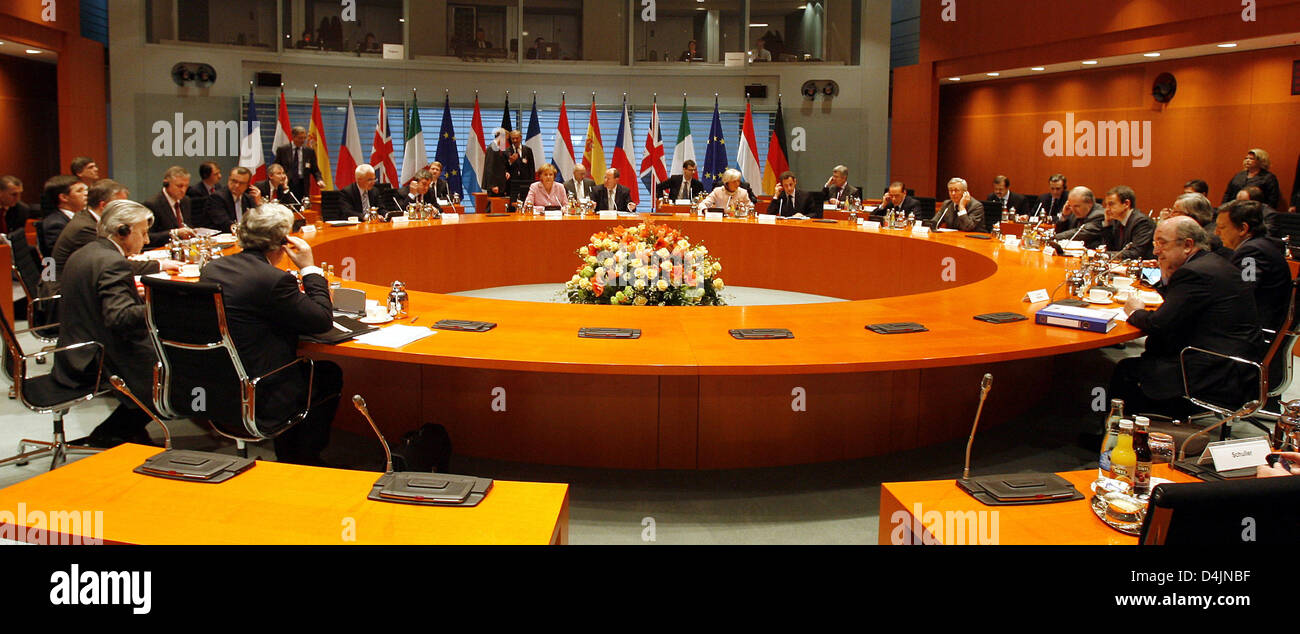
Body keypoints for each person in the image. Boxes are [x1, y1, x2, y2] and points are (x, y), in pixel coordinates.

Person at [199, 203, 343, 466]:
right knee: (328, 373)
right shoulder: (274, 280)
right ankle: (301, 457)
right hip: (264, 389)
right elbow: (322, 320)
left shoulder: (212, 268)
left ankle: (290, 452)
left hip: (222, 386)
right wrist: (309, 268)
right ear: (284, 241)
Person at [1114, 216, 1262, 417]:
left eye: (1162, 243)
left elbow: (1158, 325)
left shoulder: (1194, 273)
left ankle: (1119, 434)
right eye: (1155, 243)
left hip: (1214, 371)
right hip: (1235, 364)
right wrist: (1166, 277)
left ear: (1187, 245)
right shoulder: (1209, 263)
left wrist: (1135, 311)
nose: (1156, 250)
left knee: (1125, 370)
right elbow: (1181, 308)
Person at [54, 200, 163, 448]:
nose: (146, 241)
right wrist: (159, 307)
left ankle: (129, 434)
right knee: (173, 369)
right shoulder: (113, 262)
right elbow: (120, 318)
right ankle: (110, 435)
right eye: (143, 233)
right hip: (95, 358)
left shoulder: (87, 251)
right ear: (123, 231)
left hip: (75, 347)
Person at [51, 179, 178, 294]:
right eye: (121, 203)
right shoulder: (86, 227)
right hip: (64, 295)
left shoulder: (89, 219)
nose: (125, 208)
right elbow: (114, 264)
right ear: (105, 206)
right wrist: (160, 265)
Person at [1216, 200, 1292, 335]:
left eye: (1221, 228)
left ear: (1242, 229)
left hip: (1255, 332)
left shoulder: (1251, 253)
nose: (1216, 233)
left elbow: (1244, 291)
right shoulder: (1260, 245)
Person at [141, 166, 197, 248]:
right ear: (166, 184)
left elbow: (188, 224)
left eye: (186, 186)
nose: (183, 190)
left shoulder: (186, 200)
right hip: (163, 249)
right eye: (179, 186)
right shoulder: (152, 204)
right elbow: (148, 237)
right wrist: (175, 233)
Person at [1097, 185, 1154, 260]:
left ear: (1126, 204)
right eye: (1106, 205)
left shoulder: (1142, 222)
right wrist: (1107, 224)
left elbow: (1136, 253)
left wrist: (1104, 255)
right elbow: (1111, 248)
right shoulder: (1117, 221)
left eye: (1111, 204)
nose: (1107, 209)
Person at [274, 126, 326, 204]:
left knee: (302, 207)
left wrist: (319, 180)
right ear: (293, 137)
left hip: (303, 184)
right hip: (287, 184)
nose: (302, 140)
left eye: (304, 138)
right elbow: (276, 167)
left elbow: (315, 170)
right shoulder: (283, 150)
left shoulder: (309, 151)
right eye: (300, 138)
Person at [38, 175, 87, 258]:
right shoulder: (55, 224)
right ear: (64, 197)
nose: (86, 194)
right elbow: (61, 257)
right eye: (79, 191)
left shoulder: (81, 216)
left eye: (85, 190)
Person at [503, 129, 535, 202]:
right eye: (512, 138)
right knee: (512, 204)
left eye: (516, 138)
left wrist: (532, 183)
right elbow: (504, 168)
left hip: (526, 182)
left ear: (520, 138)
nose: (515, 140)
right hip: (512, 183)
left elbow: (531, 167)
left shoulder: (528, 150)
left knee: (525, 202)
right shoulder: (507, 151)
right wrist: (510, 162)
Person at [482, 128, 509, 197]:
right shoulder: (492, 148)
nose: (505, 142)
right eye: (505, 139)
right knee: (492, 206)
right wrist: (492, 185)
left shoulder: (498, 148)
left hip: (500, 184)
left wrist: (505, 172)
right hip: (494, 186)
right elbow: (489, 168)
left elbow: (499, 165)